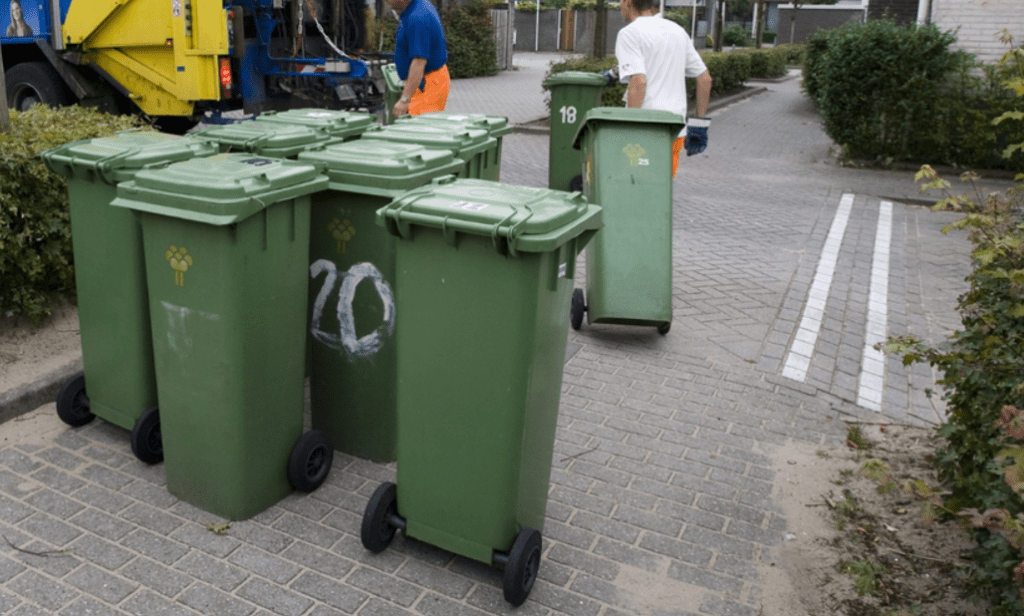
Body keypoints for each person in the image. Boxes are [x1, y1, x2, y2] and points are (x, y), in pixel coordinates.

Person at [614, 0, 712, 177]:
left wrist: (629, 130)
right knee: (662, 187)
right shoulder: (677, 31)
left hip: (644, 131)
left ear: (628, 2)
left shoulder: (629, 33)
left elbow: (639, 82)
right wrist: (699, 125)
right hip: (675, 129)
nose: (619, 5)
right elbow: (704, 78)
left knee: (636, 186)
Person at [385, 0, 449, 119]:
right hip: (425, 81)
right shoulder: (418, 7)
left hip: (426, 84)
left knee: (419, 126)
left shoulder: (417, 17)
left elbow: (419, 62)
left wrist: (404, 100)